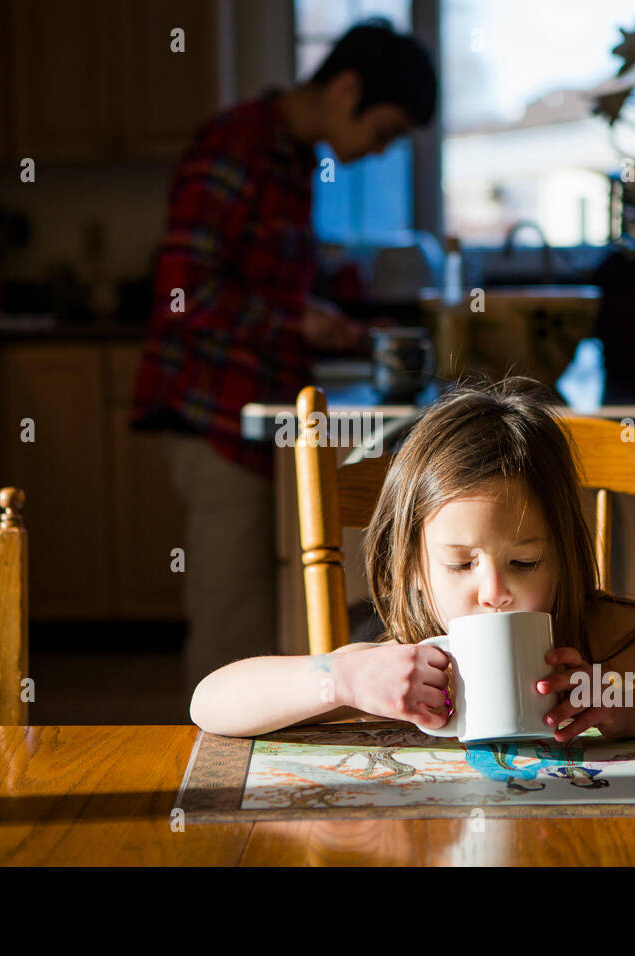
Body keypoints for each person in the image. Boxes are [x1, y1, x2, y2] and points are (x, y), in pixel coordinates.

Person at [190, 376, 635, 739]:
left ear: (564, 558)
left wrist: (627, 700)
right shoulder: (395, 668)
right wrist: (341, 681)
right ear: (416, 569)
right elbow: (210, 701)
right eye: (459, 563)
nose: (494, 590)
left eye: (524, 563)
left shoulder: (599, 642)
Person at [131, 20, 438, 692]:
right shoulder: (236, 146)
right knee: (230, 623)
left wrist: (319, 306)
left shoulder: (293, 158)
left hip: (253, 409)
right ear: (347, 88)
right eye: (383, 132)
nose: (380, 150)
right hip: (215, 417)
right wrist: (294, 319)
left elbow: (257, 272)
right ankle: (211, 782)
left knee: (256, 609)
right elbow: (182, 291)